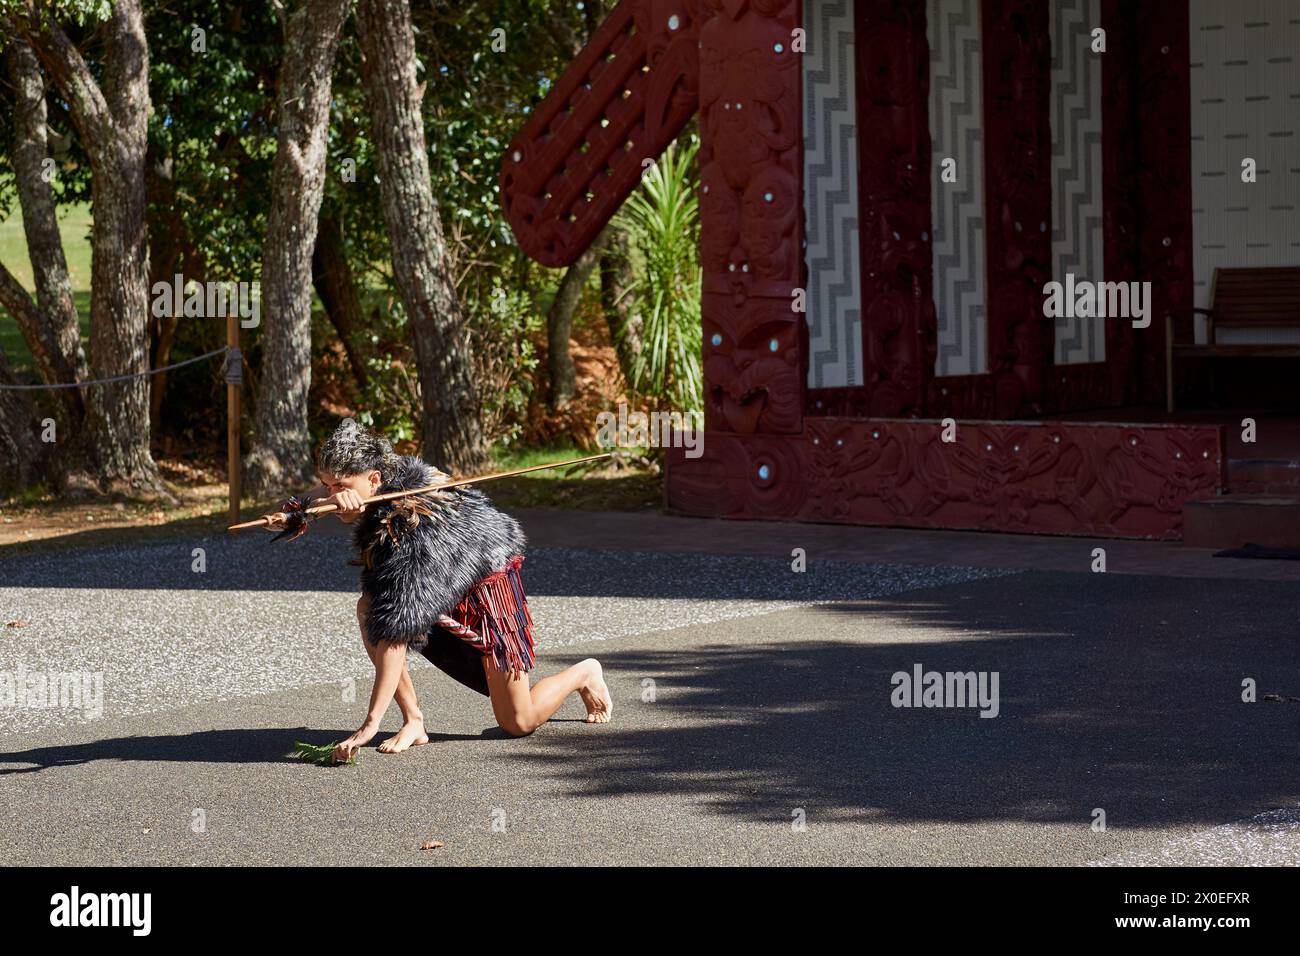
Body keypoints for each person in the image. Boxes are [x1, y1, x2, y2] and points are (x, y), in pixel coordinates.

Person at [266, 419, 611, 763]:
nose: (333, 496)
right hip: (442, 583)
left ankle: (582, 673)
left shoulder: (410, 534)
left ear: (373, 479)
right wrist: (295, 511)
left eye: (340, 486)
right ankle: (414, 721)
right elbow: (323, 493)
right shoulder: (379, 476)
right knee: (368, 606)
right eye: (328, 486)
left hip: (487, 592)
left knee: (518, 721)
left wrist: (369, 726)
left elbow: (394, 637)